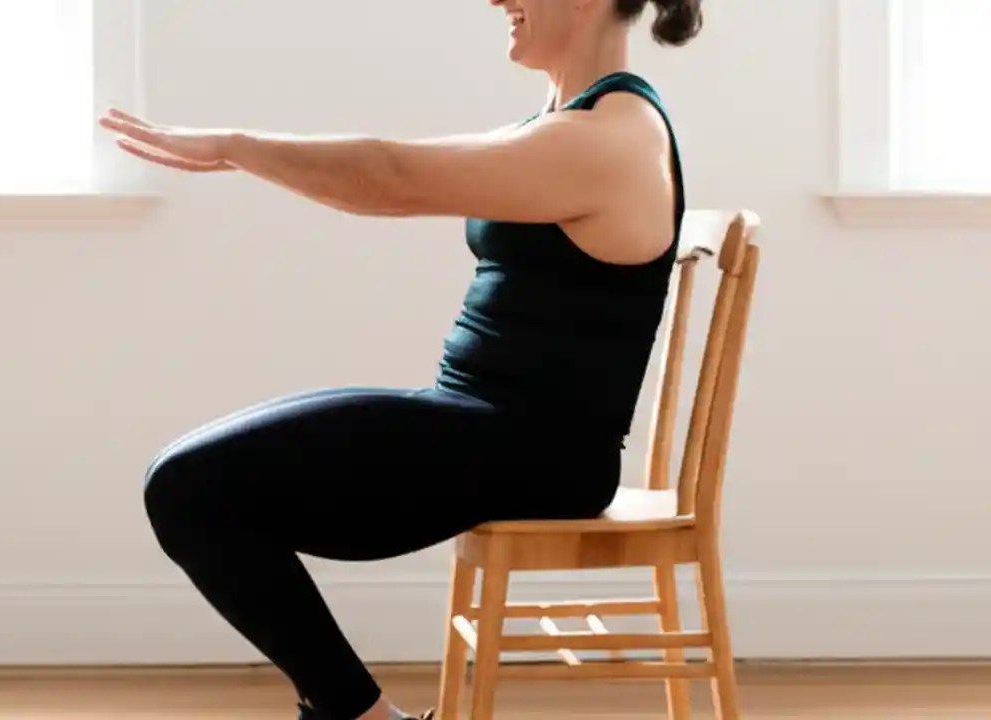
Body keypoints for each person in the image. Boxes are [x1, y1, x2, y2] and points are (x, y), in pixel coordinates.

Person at [99, 0, 703, 718]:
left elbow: (392, 176)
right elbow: (402, 166)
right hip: (484, 422)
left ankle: (356, 714)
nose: (498, 0)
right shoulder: (567, 124)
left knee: (188, 489)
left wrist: (237, 147)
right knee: (184, 479)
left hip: (537, 450)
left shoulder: (613, 137)